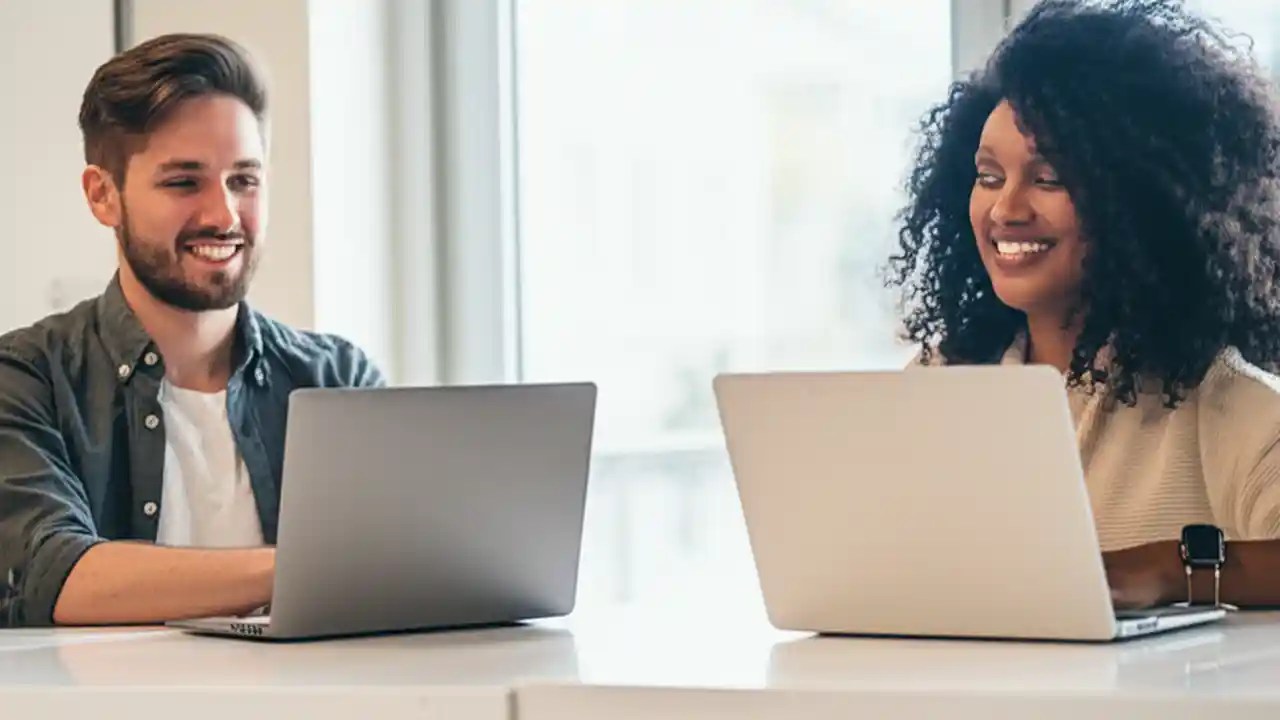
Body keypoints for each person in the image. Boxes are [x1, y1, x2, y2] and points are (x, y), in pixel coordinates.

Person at [888, 0, 1280, 608]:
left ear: (1143, 201)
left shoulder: (1230, 405)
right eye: (990, 177)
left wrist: (1169, 568)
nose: (1005, 209)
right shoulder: (939, 382)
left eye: (1049, 180)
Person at [0, 34, 383, 628]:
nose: (224, 215)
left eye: (244, 180)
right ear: (103, 196)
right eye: (185, 182)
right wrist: (310, 569)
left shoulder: (337, 380)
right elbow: (58, 577)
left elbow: (401, 574)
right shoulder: (27, 379)